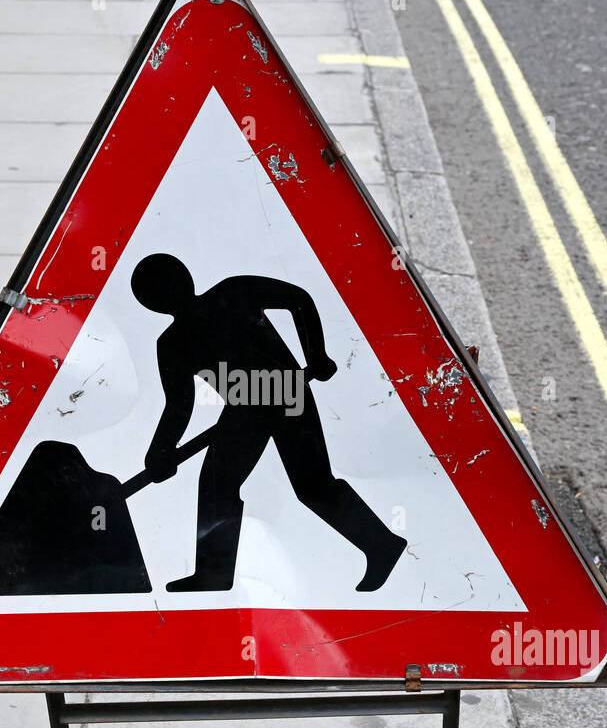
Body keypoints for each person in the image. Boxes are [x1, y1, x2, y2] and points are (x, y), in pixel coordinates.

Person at [132, 252, 406, 592]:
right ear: (152, 305)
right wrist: (160, 449)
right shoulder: (172, 344)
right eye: (158, 292)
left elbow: (298, 300)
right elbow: (179, 404)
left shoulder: (233, 292)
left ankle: (382, 545)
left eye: (168, 283)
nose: (169, 294)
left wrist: (315, 355)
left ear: (184, 278)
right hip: (245, 409)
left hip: (286, 391)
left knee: (312, 485)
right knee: (219, 484)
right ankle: (214, 573)